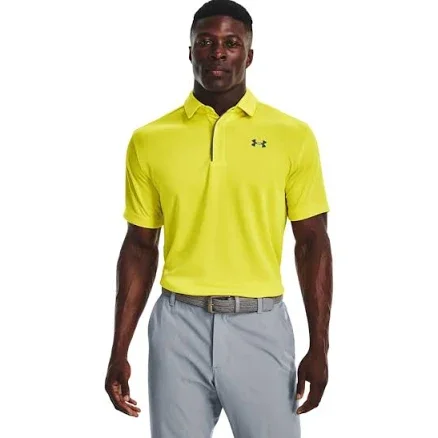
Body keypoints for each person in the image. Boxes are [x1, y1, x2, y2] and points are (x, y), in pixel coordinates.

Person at [105, 0, 333, 436]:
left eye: (231, 43)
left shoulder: (293, 136)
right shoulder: (149, 140)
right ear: (190, 51)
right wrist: (119, 348)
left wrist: (320, 345)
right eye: (206, 42)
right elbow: (139, 246)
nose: (218, 53)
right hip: (177, 327)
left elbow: (313, 243)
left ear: (249, 55)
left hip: (260, 325)